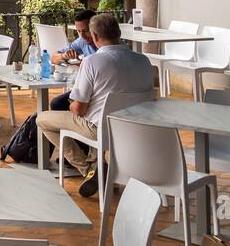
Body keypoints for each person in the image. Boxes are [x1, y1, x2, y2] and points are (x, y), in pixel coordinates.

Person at [37, 13, 153, 198]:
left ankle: (89, 169)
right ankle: (97, 168)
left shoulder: (92, 62)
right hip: (135, 127)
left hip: (101, 129)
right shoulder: (143, 60)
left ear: (96, 37)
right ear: (118, 32)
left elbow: (79, 109)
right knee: (93, 111)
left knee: (42, 119)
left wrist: (73, 106)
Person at [48, 9, 98, 113]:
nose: (82, 35)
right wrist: (64, 55)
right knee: (56, 103)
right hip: (87, 88)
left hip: (98, 90)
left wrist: (84, 64)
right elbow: (53, 58)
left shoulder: (105, 44)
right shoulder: (82, 41)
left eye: (86, 31)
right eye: (79, 31)